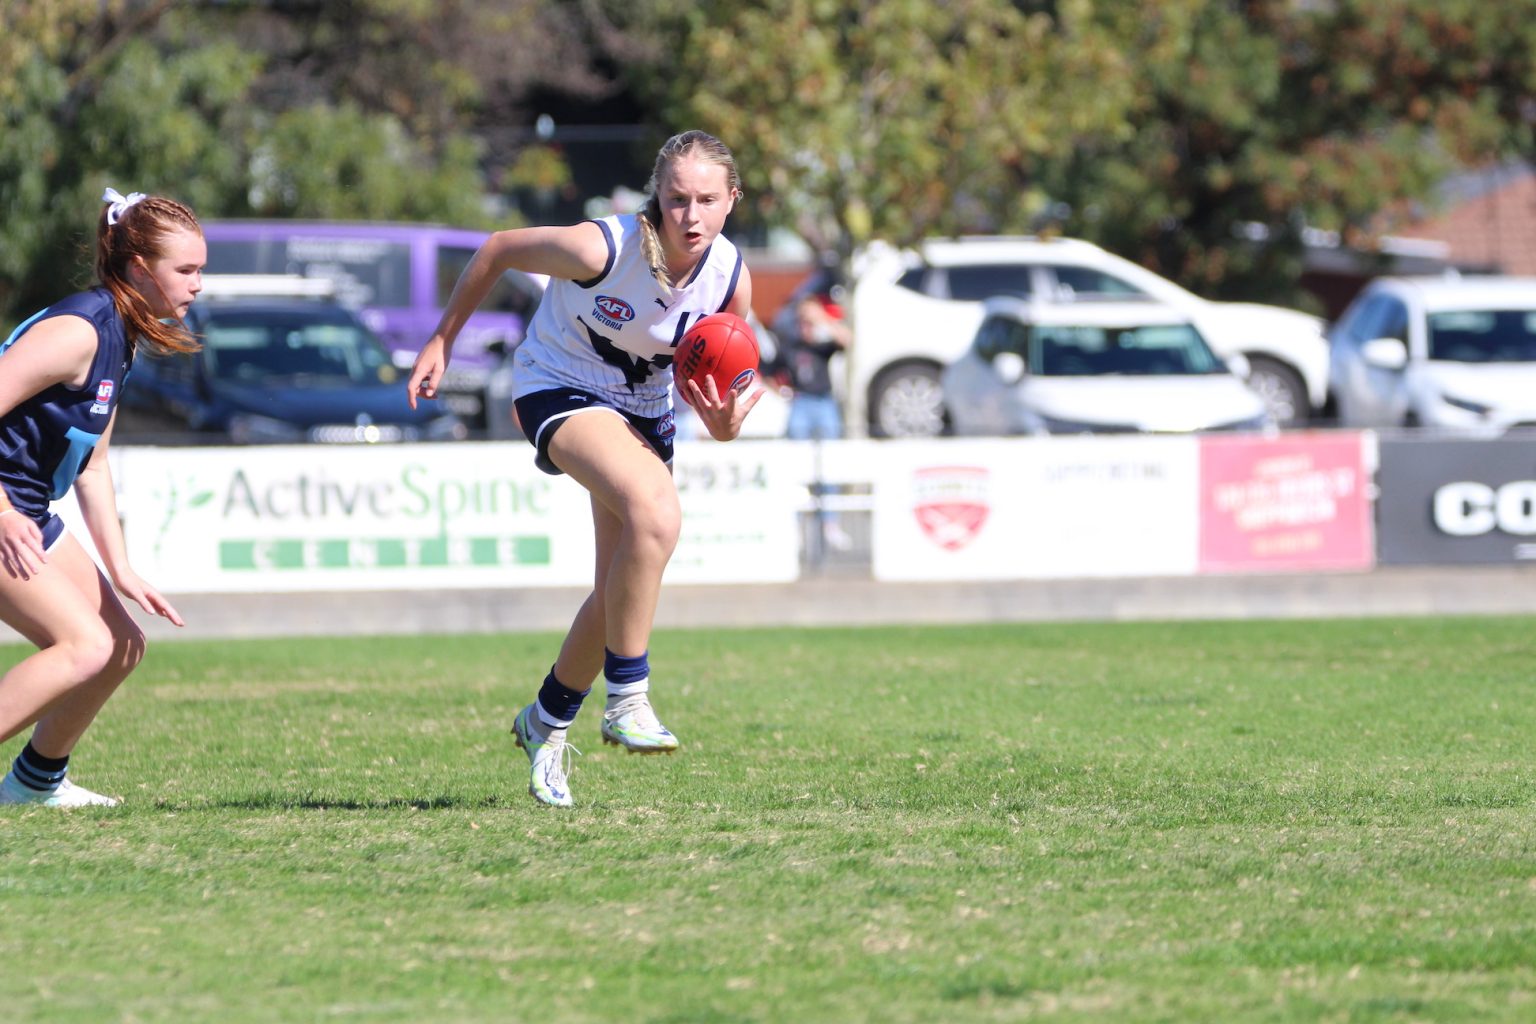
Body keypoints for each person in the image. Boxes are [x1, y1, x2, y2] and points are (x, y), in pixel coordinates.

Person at [408, 130, 761, 807]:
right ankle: (627, 697)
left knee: (617, 594)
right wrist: (441, 339)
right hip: (558, 385)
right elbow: (499, 246)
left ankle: (544, 720)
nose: (690, 215)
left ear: (732, 201)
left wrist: (723, 423)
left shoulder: (731, 279)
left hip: (645, 412)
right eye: (676, 198)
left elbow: (724, 390)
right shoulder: (603, 247)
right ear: (657, 197)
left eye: (707, 200)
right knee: (657, 515)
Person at [0, 188, 202, 807]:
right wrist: (4, 514)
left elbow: (94, 463)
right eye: (186, 270)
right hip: (6, 509)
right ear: (140, 269)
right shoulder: (79, 331)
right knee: (83, 645)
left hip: (26, 510)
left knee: (119, 646)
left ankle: (34, 786)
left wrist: (121, 568)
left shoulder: (125, 334)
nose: (198, 285)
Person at [782, 293, 850, 442]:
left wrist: (820, 318)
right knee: (796, 445)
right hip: (801, 401)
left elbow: (846, 340)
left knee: (832, 444)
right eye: (802, 322)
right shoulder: (792, 346)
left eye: (809, 323)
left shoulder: (822, 347)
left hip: (824, 400)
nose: (806, 326)